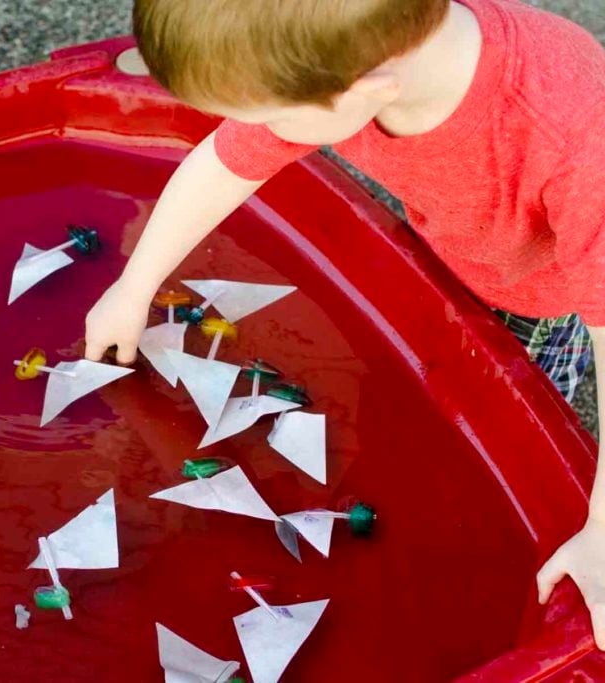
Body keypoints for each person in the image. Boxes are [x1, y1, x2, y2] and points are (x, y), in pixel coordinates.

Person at [83, 0, 605, 648]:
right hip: (459, 250)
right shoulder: (345, 57)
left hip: (537, 301)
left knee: (506, 427)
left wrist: (602, 529)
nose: (259, 131)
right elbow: (227, 161)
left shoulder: (566, 135)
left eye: (269, 116)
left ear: (367, 89)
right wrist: (133, 286)